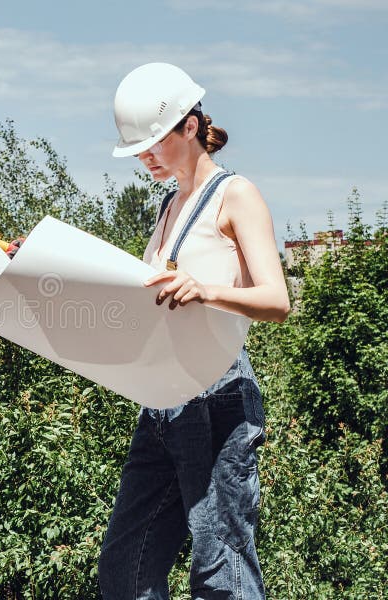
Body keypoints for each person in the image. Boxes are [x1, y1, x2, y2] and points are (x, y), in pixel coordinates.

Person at [98, 63, 290, 599]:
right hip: (163, 402)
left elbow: (277, 301)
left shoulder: (236, 195)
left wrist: (205, 290)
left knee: (219, 572)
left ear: (189, 125)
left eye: (153, 143)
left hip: (219, 399)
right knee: (124, 570)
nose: (145, 157)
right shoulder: (167, 206)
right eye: (138, 149)